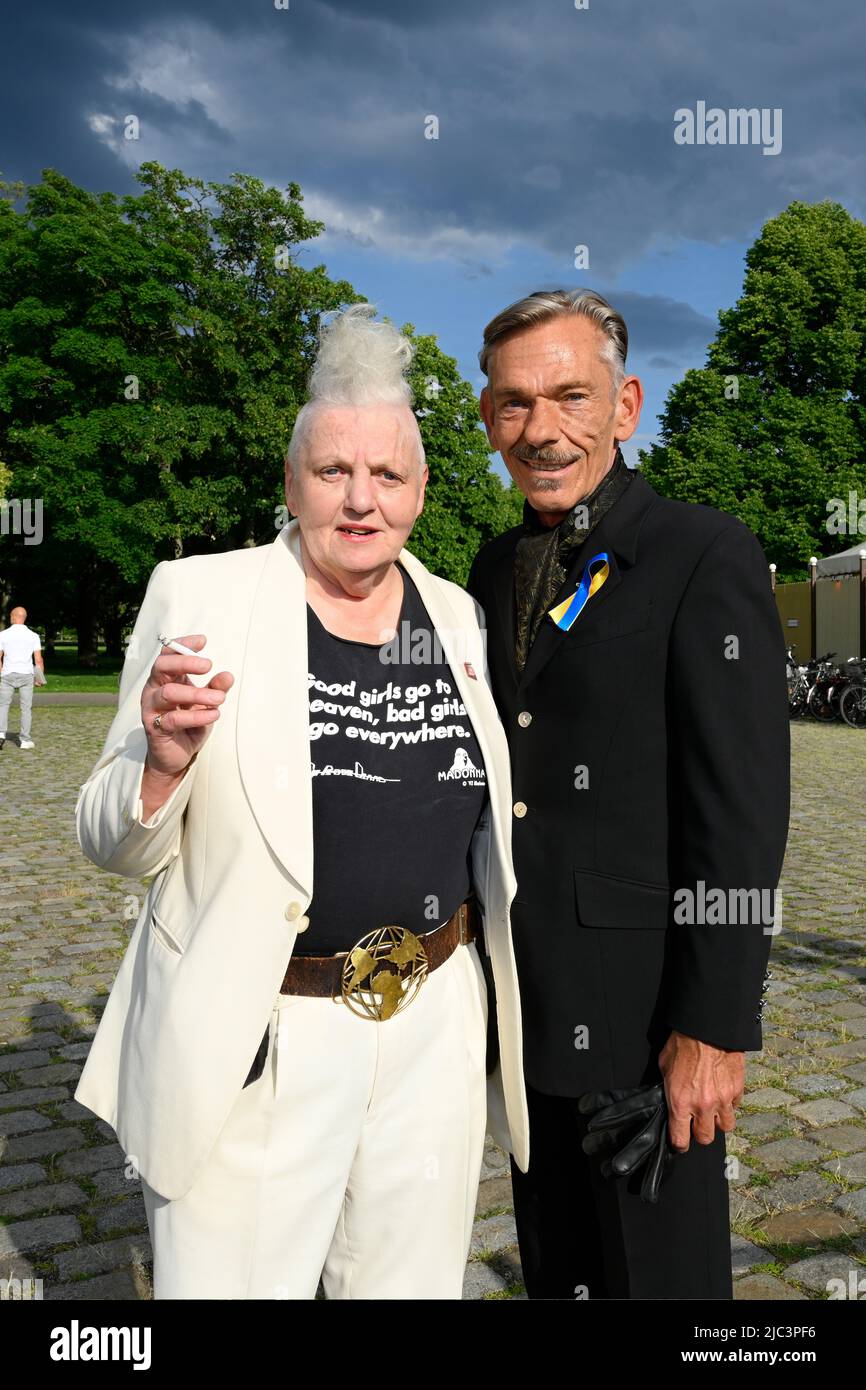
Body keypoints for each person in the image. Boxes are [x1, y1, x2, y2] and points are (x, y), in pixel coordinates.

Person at [73, 305, 528, 1300]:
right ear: (292, 483)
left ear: (418, 490)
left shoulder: (453, 613)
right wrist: (157, 764)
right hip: (267, 1032)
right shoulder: (201, 596)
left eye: (387, 476)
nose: (360, 499)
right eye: (333, 472)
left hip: (428, 1020)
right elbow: (106, 832)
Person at [467, 288, 790, 1300]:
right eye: (514, 404)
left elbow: (738, 811)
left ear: (624, 403)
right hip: (524, 1012)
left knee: (661, 1286)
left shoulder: (704, 554)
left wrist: (714, 1025)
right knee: (557, 1270)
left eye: (570, 395)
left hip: (648, 1028)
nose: (541, 429)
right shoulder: (485, 566)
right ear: (487, 420)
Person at [0, 605, 44, 750]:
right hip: (26, 674)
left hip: (8, 674)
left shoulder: (3, 634)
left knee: (3, 705)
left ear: (13, 617)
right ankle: (25, 740)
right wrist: (39, 678)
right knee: (26, 708)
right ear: (24, 618)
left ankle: (0, 733)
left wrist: (1, 671)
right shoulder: (33, 636)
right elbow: (38, 659)